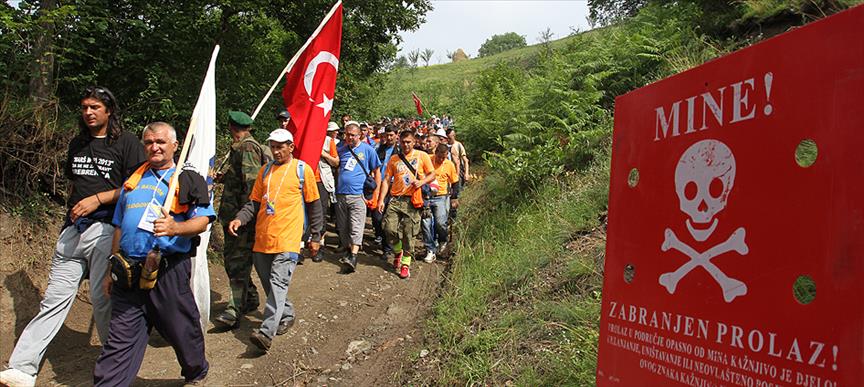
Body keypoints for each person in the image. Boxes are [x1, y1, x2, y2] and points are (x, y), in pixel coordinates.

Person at [0, 86, 145, 387]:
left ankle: (115, 362)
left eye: (95, 107)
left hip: (106, 230)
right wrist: (73, 213)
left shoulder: (129, 144)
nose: (88, 112)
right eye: (84, 107)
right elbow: (75, 183)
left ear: (109, 111)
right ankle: (21, 368)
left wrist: (99, 199)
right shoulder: (78, 143)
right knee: (53, 301)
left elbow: (139, 188)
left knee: (102, 299)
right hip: (72, 232)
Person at [93, 122, 212, 386]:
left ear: (174, 145)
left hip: (167, 267)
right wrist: (112, 269)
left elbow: (203, 221)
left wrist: (175, 227)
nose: (154, 147)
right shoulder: (132, 181)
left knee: (180, 327)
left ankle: (196, 370)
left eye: (160, 142)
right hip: (128, 268)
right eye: (148, 142)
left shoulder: (186, 179)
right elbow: (118, 226)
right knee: (120, 335)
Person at [227, 129, 323, 352]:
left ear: (291, 147)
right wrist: (239, 220)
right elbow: (253, 203)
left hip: (288, 240)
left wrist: (315, 235)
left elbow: (314, 204)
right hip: (263, 239)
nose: (276, 151)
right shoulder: (265, 171)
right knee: (270, 285)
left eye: (281, 147)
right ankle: (287, 312)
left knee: (278, 283)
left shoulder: (302, 170)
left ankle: (266, 332)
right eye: (273, 146)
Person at [213, 111, 272, 329]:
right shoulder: (242, 147)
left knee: (238, 263)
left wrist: (244, 217)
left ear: (231, 126)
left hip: (241, 219)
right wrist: (225, 177)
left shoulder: (248, 147)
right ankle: (250, 297)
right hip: (232, 216)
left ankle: (233, 310)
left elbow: (252, 185)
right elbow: (240, 177)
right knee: (232, 260)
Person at [376, 131, 435, 279]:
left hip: (412, 200)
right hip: (396, 199)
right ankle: (398, 251)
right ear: (399, 142)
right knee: (389, 228)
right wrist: (381, 199)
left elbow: (432, 174)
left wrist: (421, 182)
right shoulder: (394, 159)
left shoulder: (422, 156)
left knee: (409, 233)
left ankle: (405, 264)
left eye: (408, 142)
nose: (406, 145)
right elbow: (386, 179)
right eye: (403, 142)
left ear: (414, 142)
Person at [335, 122, 381, 272]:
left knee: (356, 226)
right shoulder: (341, 150)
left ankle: (353, 257)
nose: (349, 138)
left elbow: (377, 172)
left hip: (358, 195)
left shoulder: (368, 150)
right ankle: (349, 251)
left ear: (360, 135)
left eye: (352, 135)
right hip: (341, 194)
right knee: (343, 227)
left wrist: (376, 195)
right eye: (347, 135)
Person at [421, 144, 460, 262]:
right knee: (426, 223)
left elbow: (455, 182)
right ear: (435, 153)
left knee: (440, 222)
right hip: (426, 196)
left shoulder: (449, 164)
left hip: (441, 197)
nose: (441, 160)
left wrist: (454, 198)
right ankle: (430, 249)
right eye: (439, 157)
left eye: (444, 157)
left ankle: (442, 240)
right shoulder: (427, 159)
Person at [308, 122, 340, 262]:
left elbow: (336, 162)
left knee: (320, 213)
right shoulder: (301, 138)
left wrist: (322, 153)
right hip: (303, 180)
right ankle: (301, 246)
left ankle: (319, 246)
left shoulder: (328, 141)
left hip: (320, 181)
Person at [372, 125, 397, 255]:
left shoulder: (400, 151)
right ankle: (380, 237)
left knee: (389, 219)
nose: (389, 137)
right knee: (377, 217)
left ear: (396, 135)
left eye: (391, 135)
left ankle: (387, 249)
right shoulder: (379, 149)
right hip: (379, 185)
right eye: (387, 135)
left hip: (394, 187)